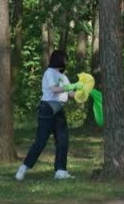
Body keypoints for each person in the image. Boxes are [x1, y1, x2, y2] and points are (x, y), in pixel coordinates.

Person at [15, 51, 82, 181]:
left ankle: (60, 171)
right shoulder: (49, 72)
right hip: (47, 109)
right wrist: (72, 86)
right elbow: (54, 89)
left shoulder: (63, 76)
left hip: (59, 110)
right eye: (65, 59)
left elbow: (70, 94)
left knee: (63, 140)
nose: (66, 62)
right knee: (40, 141)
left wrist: (82, 90)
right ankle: (23, 167)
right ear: (58, 59)